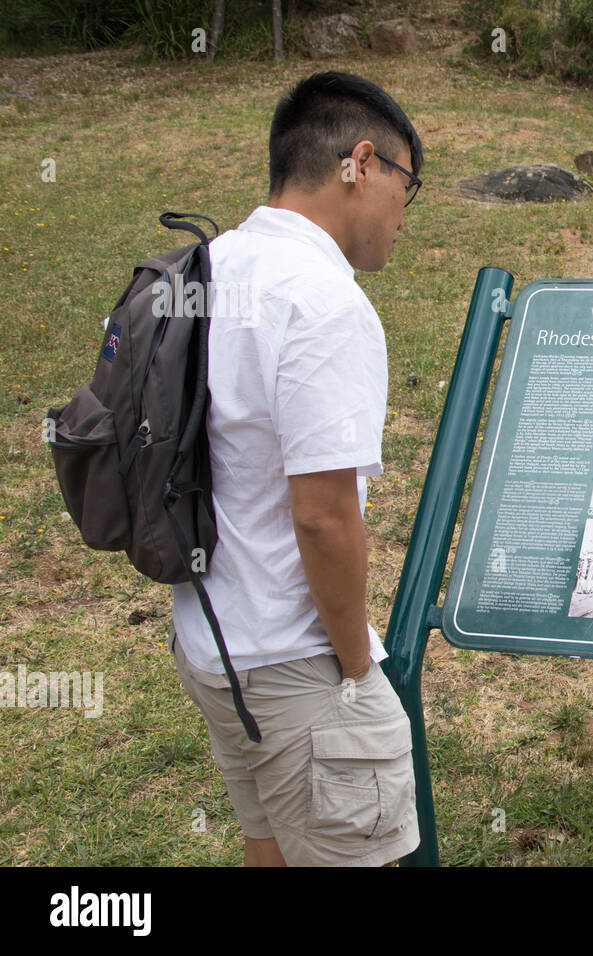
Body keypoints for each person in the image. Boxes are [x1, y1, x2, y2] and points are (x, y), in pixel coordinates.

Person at [168, 71, 423, 867]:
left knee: (270, 845)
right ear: (361, 162)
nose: (403, 217)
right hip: (296, 661)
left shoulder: (202, 270)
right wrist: (354, 669)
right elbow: (322, 514)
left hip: (212, 646)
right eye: (408, 187)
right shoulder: (323, 301)